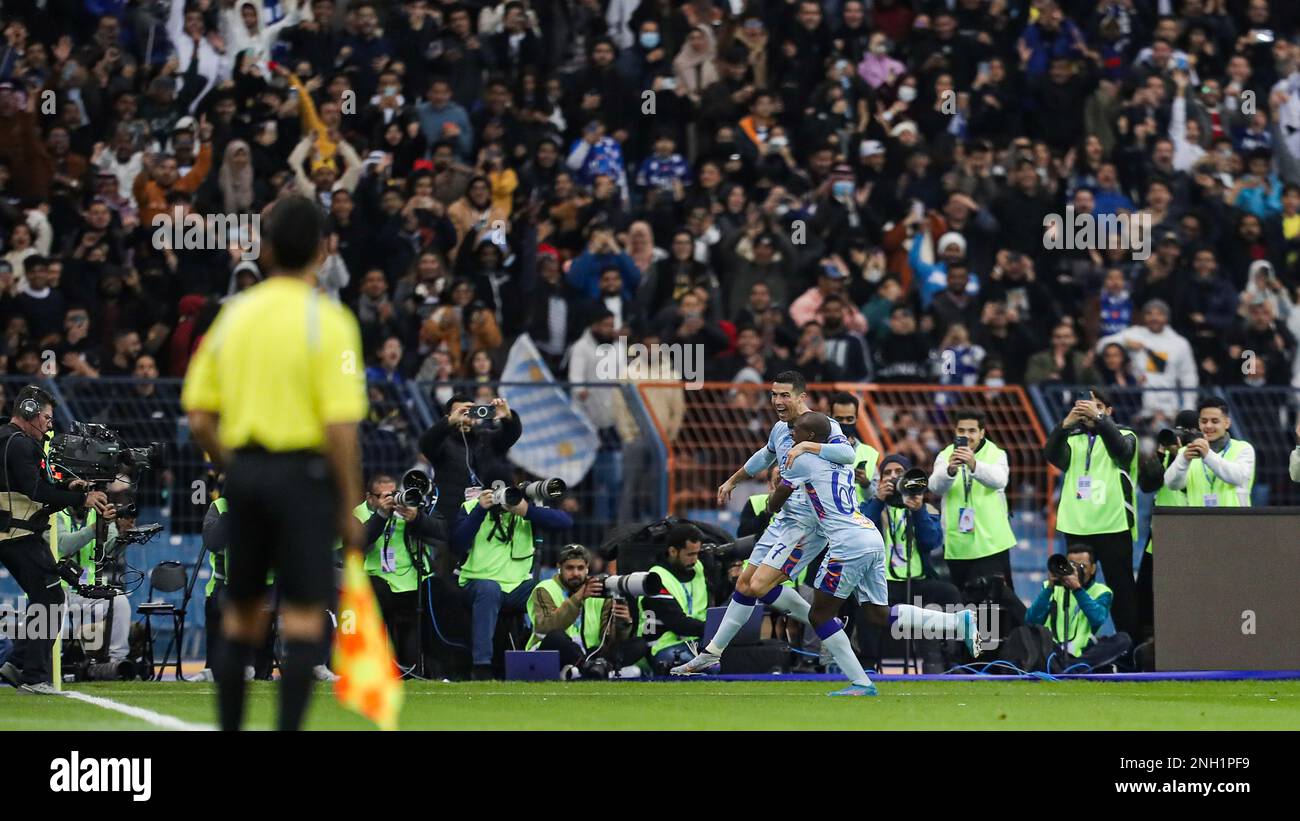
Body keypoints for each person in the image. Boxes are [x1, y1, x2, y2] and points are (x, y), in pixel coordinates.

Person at [182, 195, 368, 731]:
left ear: (264, 250)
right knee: (305, 615)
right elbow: (340, 429)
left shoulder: (233, 317)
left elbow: (198, 417)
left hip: (247, 474)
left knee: (241, 615)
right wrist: (347, 505)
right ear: (324, 249)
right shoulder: (329, 322)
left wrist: (231, 466)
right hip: (304, 478)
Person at [700, 412, 979, 695]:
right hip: (869, 535)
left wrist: (776, 499)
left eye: (796, 433)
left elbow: (774, 503)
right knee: (878, 614)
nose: (790, 436)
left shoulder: (802, 461)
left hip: (846, 545)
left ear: (809, 438)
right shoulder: (841, 461)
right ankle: (957, 622)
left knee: (818, 616)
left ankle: (861, 682)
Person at [682, 371, 857, 673]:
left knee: (760, 585)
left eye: (785, 395)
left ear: (802, 397)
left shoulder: (822, 425)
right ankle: (713, 652)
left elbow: (847, 453)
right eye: (774, 394)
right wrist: (733, 480)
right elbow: (765, 456)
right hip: (784, 519)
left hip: (807, 523)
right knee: (745, 583)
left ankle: (826, 624)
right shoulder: (779, 429)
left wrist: (808, 446)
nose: (777, 401)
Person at [0, 386, 110, 693]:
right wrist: (82, 499)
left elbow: (43, 482)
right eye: (47, 417)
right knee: (50, 598)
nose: (50, 424)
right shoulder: (19, 444)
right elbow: (37, 491)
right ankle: (33, 676)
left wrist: (72, 486)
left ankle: (18, 663)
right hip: (17, 534)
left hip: (15, 534)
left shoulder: (9, 440)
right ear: (29, 412)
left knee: (43, 597)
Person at [451, 477, 574, 679]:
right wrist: (480, 510)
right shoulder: (471, 506)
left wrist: (528, 511)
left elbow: (566, 522)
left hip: (518, 586)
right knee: (489, 590)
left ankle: (559, 656)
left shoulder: (521, 507)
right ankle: (481, 666)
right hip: (478, 583)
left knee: (545, 587)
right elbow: (456, 544)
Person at [1043, 386, 1139, 641]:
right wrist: (1065, 425)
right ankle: (1076, 646)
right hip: (1076, 527)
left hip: (1113, 525)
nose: (1088, 410)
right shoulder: (1072, 439)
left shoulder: (1127, 434)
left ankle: (1130, 650)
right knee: (1074, 588)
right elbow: (1051, 455)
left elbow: (1122, 453)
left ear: (1109, 410)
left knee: (1122, 591)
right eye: (1084, 405)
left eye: (1097, 405)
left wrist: (1099, 419)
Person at [860, 453, 961, 673]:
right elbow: (860, 533)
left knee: (949, 593)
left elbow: (930, 543)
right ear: (880, 479)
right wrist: (878, 501)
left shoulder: (925, 507)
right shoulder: (871, 506)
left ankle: (949, 659)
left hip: (917, 582)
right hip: (882, 584)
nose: (894, 477)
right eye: (888, 473)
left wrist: (918, 510)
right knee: (863, 601)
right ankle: (867, 666)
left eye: (899, 472)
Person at [353, 473, 448, 675]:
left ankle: (425, 670)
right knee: (372, 594)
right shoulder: (359, 513)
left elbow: (442, 532)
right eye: (382, 496)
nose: (390, 500)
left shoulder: (411, 506)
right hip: (376, 580)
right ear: (370, 497)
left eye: (394, 494)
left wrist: (417, 518)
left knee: (412, 649)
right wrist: (381, 515)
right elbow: (358, 542)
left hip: (412, 580)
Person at [927, 409, 1017, 595]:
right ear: (955, 431)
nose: (966, 436)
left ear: (982, 432)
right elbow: (934, 486)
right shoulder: (946, 455)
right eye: (961, 431)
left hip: (992, 544)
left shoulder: (996, 454)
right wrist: (950, 471)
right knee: (965, 602)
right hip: (958, 545)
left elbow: (1000, 480)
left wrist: (974, 464)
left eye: (972, 431)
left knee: (996, 603)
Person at [526, 544, 633, 678]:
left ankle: (590, 669)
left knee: (638, 644)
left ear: (587, 568)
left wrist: (624, 623)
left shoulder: (600, 590)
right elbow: (546, 628)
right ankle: (595, 669)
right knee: (557, 637)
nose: (576, 573)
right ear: (559, 567)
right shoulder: (544, 589)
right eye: (570, 568)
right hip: (553, 652)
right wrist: (578, 598)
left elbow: (607, 640)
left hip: (590, 652)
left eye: (580, 568)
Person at [1135, 409, 1195, 645]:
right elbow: (1147, 485)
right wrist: (1162, 453)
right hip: (1161, 532)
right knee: (1147, 593)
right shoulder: (1168, 455)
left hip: (1191, 531)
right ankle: (1149, 643)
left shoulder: (1205, 456)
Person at [1025, 544, 1132, 670]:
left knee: (1123, 639)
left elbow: (1097, 618)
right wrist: (1049, 589)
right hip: (1051, 650)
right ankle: (1069, 668)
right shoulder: (1050, 587)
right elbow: (1031, 621)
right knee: (1025, 636)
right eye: (1071, 565)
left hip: (1083, 652)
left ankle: (1072, 667)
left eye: (1082, 567)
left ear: (1093, 569)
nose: (1076, 570)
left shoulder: (1101, 591)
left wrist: (1077, 589)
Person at [418, 395, 521, 523]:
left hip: (486, 516)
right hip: (450, 517)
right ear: (448, 416)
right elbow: (426, 444)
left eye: (470, 412)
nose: (465, 418)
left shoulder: (487, 439)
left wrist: (508, 417)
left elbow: (511, 435)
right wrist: (449, 423)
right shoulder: (442, 443)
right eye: (460, 412)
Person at [55, 502, 131, 671]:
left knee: (119, 601)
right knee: (54, 607)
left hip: (87, 589)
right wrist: (94, 528)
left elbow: (109, 549)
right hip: (59, 587)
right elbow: (64, 545)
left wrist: (124, 535)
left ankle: (116, 660)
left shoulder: (97, 514)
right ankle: (52, 662)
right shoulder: (55, 513)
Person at [1164, 397, 1255, 508]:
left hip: (1234, 522)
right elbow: (1172, 484)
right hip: (1198, 522)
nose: (1208, 426)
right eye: (1204, 421)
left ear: (1227, 423)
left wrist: (1207, 455)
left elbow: (1238, 477)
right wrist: (1183, 460)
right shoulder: (1188, 451)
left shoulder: (1243, 448)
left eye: (1215, 421)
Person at [829, 391, 880, 507]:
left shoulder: (869, 453)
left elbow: (877, 499)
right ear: (830, 417)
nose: (844, 423)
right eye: (839, 419)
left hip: (860, 519)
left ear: (856, 419)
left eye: (849, 419)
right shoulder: (819, 448)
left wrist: (865, 484)